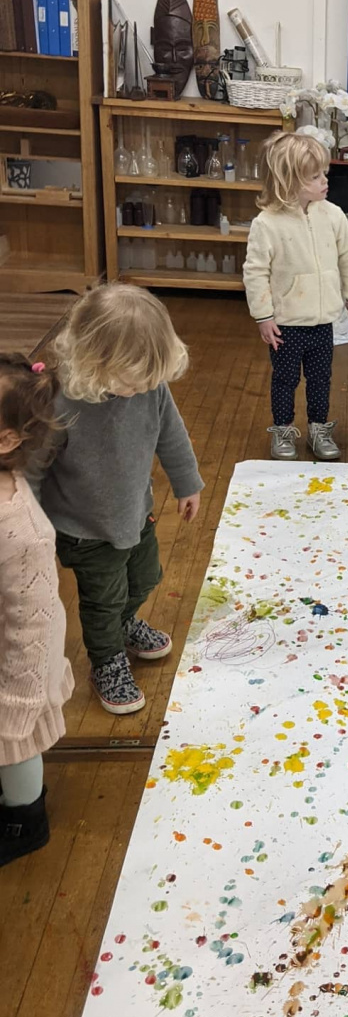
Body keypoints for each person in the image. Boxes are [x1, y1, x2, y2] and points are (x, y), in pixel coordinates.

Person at [39, 286, 204, 715]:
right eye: (134, 381)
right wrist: (33, 529)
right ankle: (106, 660)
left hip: (135, 512)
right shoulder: (58, 402)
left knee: (146, 577)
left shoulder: (149, 387)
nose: (145, 388)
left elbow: (170, 432)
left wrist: (187, 482)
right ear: (95, 361)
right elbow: (33, 467)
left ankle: (124, 623)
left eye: (152, 380)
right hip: (84, 529)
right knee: (102, 600)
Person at [244, 132, 348, 461]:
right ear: (289, 180)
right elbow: (255, 273)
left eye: (324, 173)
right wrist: (264, 316)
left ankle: (318, 430)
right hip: (286, 324)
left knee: (320, 380)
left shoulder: (333, 214)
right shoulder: (266, 224)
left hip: (323, 321)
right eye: (315, 176)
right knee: (284, 380)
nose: (325, 181)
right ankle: (283, 432)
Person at [0, 356, 73, 866]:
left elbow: (35, 617)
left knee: (15, 745)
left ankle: (25, 822)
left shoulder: (21, 527)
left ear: (7, 440)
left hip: (20, 658)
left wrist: (19, 691)